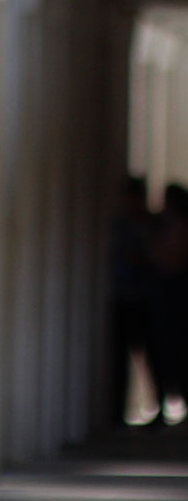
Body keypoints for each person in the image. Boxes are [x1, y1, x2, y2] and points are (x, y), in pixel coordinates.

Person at [111, 176, 153, 427]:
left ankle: (155, 404)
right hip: (124, 297)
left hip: (147, 298)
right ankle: (118, 410)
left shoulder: (149, 224)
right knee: (120, 357)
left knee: (153, 354)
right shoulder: (120, 225)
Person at [146, 184, 188, 426]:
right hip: (168, 297)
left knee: (174, 352)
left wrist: (153, 250)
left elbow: (172, 261)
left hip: (175, 298)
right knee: (163, 352)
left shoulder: (178, 227)